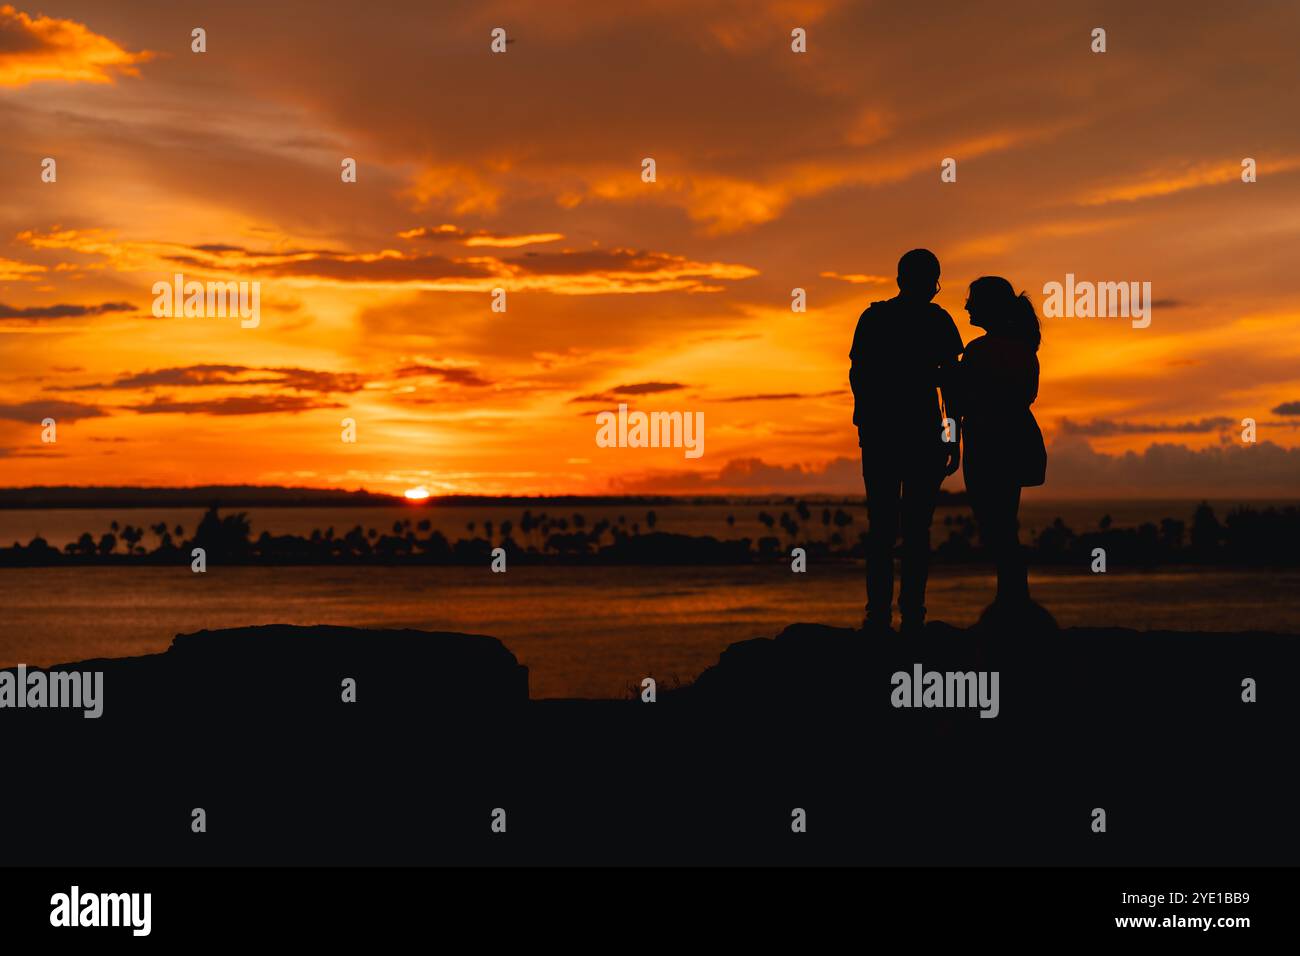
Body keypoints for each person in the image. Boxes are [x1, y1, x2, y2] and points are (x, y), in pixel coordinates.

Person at [849, 249, 964, 634]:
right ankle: (905, 615)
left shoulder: (875, 318)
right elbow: (952, 389)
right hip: (911, 436)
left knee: (885, 528)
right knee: (913, 529)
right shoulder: (936, 321)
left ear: (900, 279)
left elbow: (860, 379)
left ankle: (884, 615)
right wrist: (952, 438)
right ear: (931, 283)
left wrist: (950, 437)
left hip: (888, 436)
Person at [957, 276, 1047, 613]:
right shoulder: (1022, 349)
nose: (966, 306)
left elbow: (965, 399)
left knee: (998, 528)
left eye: (972, 300)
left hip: (989, 444)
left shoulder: (982, 350)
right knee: (1003, 524)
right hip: (1012, 440)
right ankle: (1012, 600)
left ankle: (1011, 603)